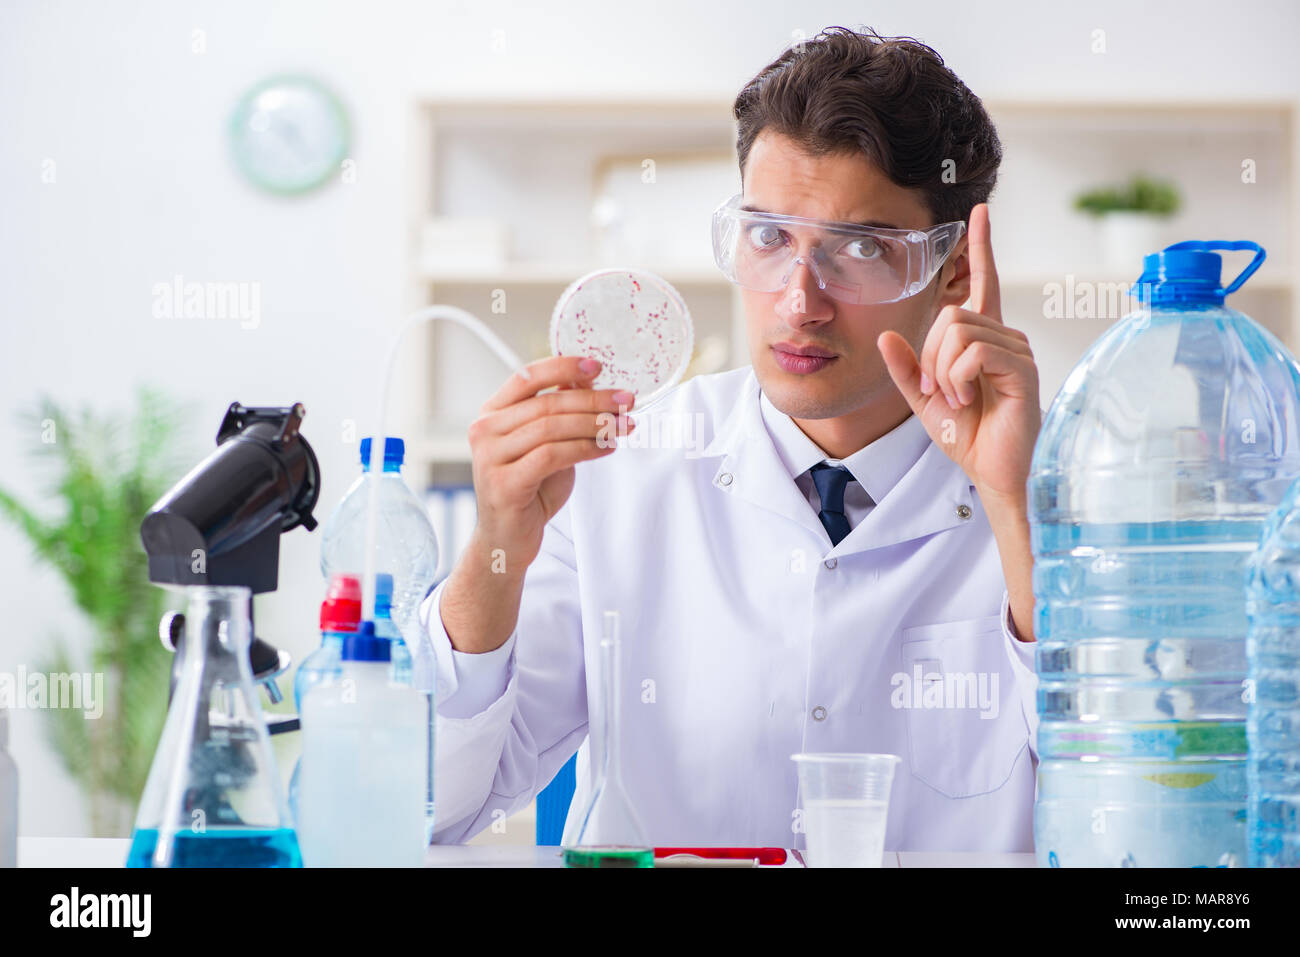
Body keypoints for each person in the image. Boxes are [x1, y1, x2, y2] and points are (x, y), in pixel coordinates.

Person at [422, 25, 1043, 851]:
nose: (800, 301)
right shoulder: (618, 469)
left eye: (859, 248)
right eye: (768, 236)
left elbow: (1141, 821)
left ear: (954, 270)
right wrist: (496, 544)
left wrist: (1015, 508)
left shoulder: (1047, 486)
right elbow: (433, 802)